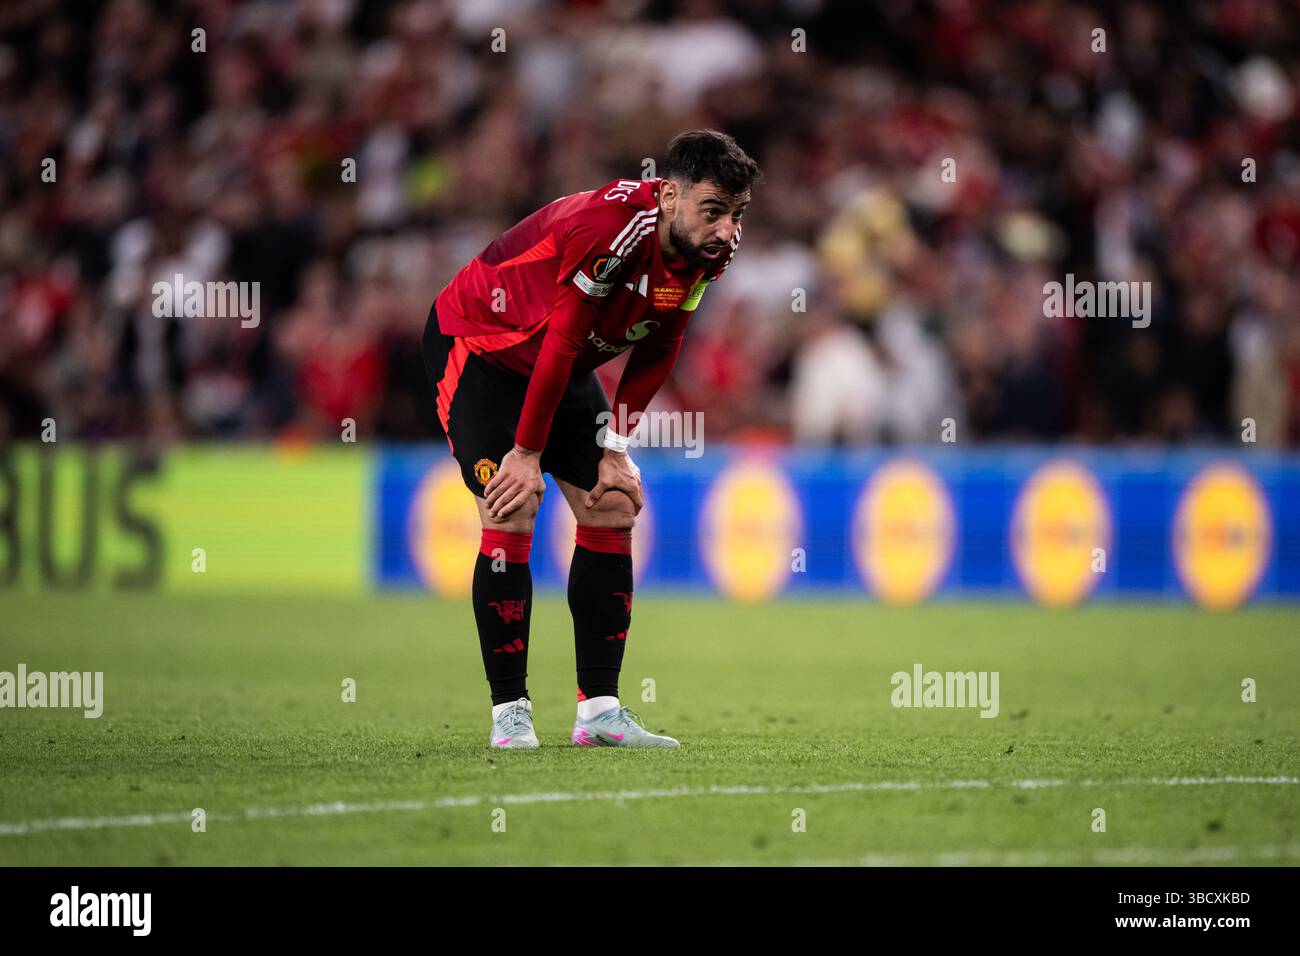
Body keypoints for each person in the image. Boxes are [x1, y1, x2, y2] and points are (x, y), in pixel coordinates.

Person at [423, 129, 760, 749]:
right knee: (514, 506)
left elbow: (664, 342)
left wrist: (617, 447)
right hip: (482, 349)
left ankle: (599, 712)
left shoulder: (712, 248)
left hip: (562, 363)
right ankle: (510, 713)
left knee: (612, 502)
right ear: (668, 195)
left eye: (736, 215)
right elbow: (564, 338)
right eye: (713, 211)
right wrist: (525, 455)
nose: (725, 230)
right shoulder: (610, 230)